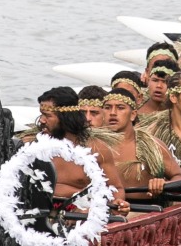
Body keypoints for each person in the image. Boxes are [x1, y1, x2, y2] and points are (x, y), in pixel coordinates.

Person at [34, 87, 131, 215]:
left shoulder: (97, 149)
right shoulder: (33, 149)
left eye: (47, 116)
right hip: (39, 218)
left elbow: (116, 188)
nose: (42, 120)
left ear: (65, 117)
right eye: (41, 114)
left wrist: (115, 204)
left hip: (81, 220)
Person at [101, 88, 181, 201]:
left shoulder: (152, 146)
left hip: (145, 212)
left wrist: (163, 184)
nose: (112, 113)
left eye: (120, 108)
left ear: (133, 115)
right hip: (102, 212)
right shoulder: (92, 147)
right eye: (107, 108)